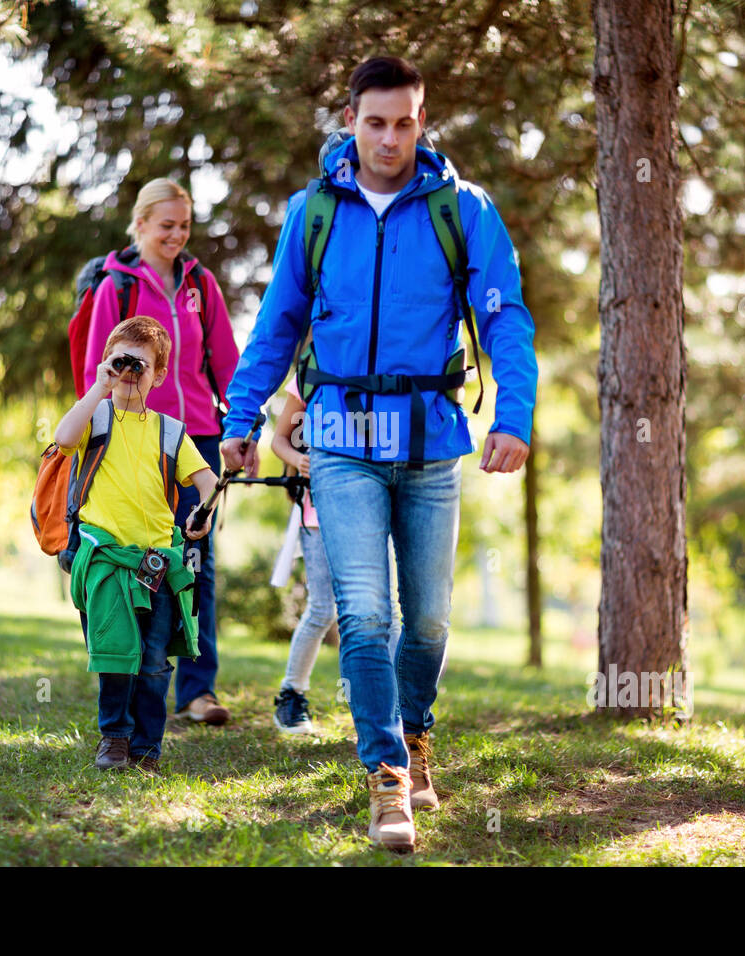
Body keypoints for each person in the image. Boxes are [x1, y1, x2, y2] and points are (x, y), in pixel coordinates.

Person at [219, 56, 537, 851]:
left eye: (404, 122)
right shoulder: (315, 211)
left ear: (421, 122)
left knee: (426, 622)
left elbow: (506, 319)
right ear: (351, 121)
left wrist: (514, 413)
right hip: (340, 441)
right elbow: (278, 322)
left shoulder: (463, 210)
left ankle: (418, 729)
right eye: (375, 122)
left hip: (431, 443)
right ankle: (387, 777)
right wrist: (242, 413)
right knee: (365, 616)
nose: (390, 138)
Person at [82, 178, 240, 727]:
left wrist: (241, 428)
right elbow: (94, 371)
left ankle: (198, 691)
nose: (177, 235)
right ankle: (131, 681)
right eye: (166, 225)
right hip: (134, 439)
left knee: (195, 562)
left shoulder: (201, 285)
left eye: (185, 226)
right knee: (134, 561)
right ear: (142, 224)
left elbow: (226, 360)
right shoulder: (116, 289)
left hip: (196, 437)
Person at [56, 315, 218, 772]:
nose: (129, 372)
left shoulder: (170, 431)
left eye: (139, 365)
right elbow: (64, 439)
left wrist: (203, 511)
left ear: (160, 375)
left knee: (152, 663)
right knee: (115, 654)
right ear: (106, 362)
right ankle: (114, 738)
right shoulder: (96, 415)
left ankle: (147, 747)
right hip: (106, 559)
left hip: (156, 563)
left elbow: (206, 480)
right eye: (120, 361)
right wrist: (98, 386)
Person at [268, 377, 402, 734]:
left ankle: (393, 706)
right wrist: (300, 460)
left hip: (375, 511)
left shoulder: (387, 365)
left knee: (385, 612)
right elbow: (279, 439)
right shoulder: (308, 376)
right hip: (318, 514)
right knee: (323, 609)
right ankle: (291, 694)